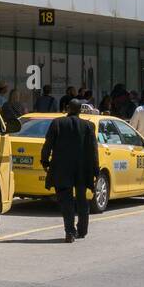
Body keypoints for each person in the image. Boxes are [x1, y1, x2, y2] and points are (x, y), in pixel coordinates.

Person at [41, 99, 99, 243]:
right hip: (82, 169)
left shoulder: (57, 123)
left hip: (62, 168)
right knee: (82, 199)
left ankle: (70, 232)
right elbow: (93, 150)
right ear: (80, 110)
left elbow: (48, 144)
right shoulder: (88, 126)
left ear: (67, 108)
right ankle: (82, 230)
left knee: (66, 202)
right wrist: (95, 170)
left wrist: (45, 161)